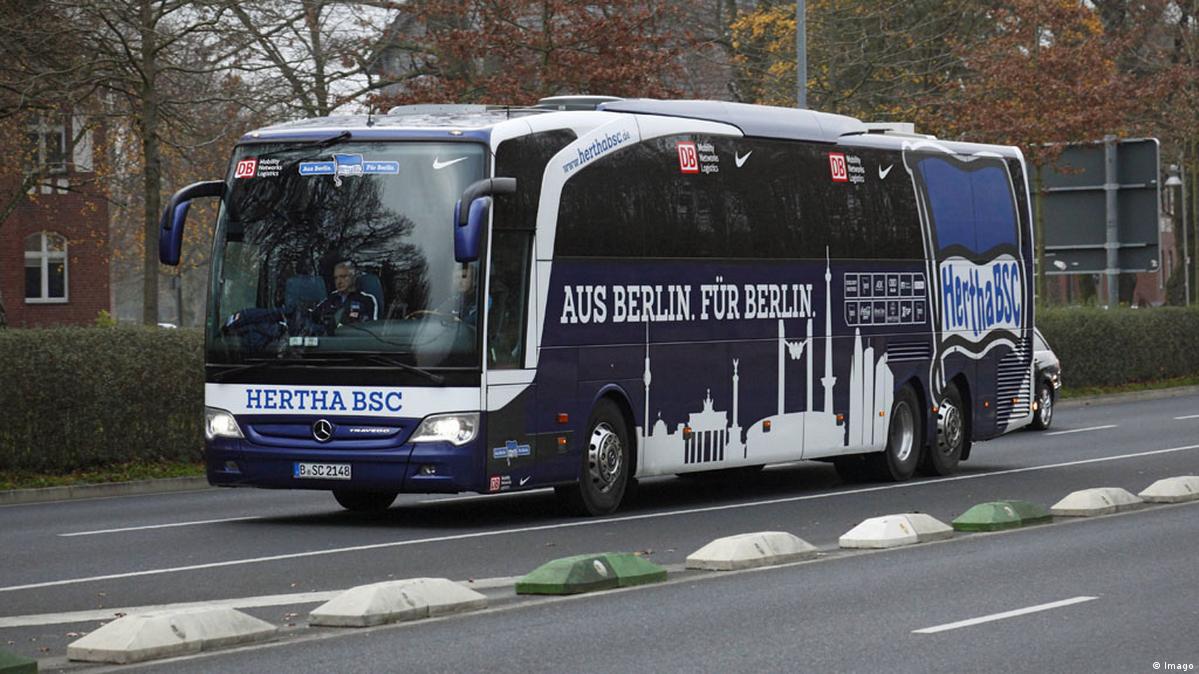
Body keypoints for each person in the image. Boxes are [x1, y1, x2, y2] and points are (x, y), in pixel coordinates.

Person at [312, 260, 378, 330]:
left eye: (343, 276)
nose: (339, 282)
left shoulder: (366, 300)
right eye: (336, 278)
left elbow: (371, 329)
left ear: (354, 277)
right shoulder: (331, 298)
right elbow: (313, 317)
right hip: (329, 339)